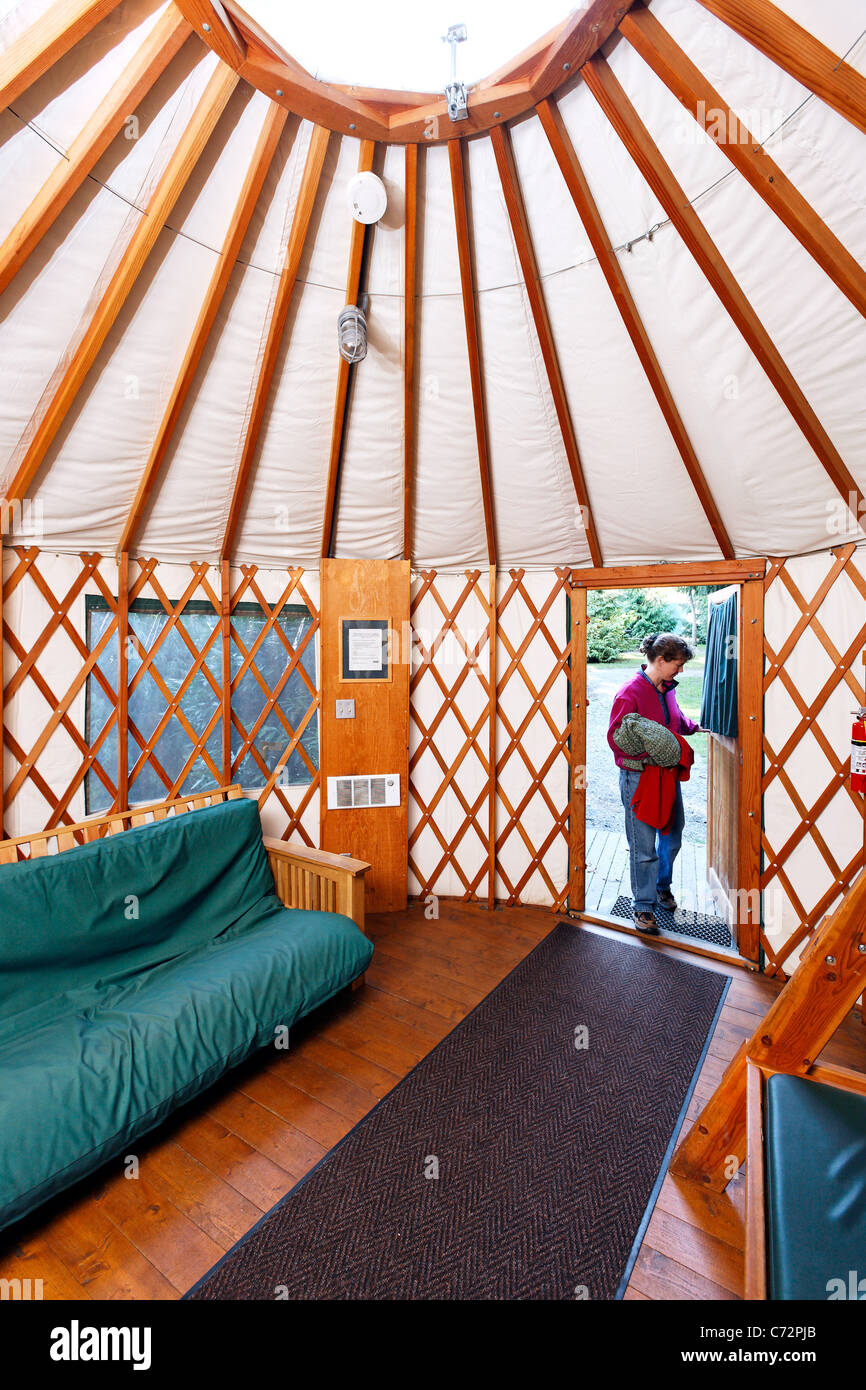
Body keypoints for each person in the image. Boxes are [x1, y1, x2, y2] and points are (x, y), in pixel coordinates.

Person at [607, 632, 704, 936]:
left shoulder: (667, 688)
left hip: (667, 776)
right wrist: (652, 755)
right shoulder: (630, 693)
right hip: (640, 777)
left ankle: (662, 886)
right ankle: (643, 907)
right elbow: (616, 739)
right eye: (678, 664)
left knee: (672, 836)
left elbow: (674, 720)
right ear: (661, 660)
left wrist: (695, 727)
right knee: (644, 845)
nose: (681, 670)